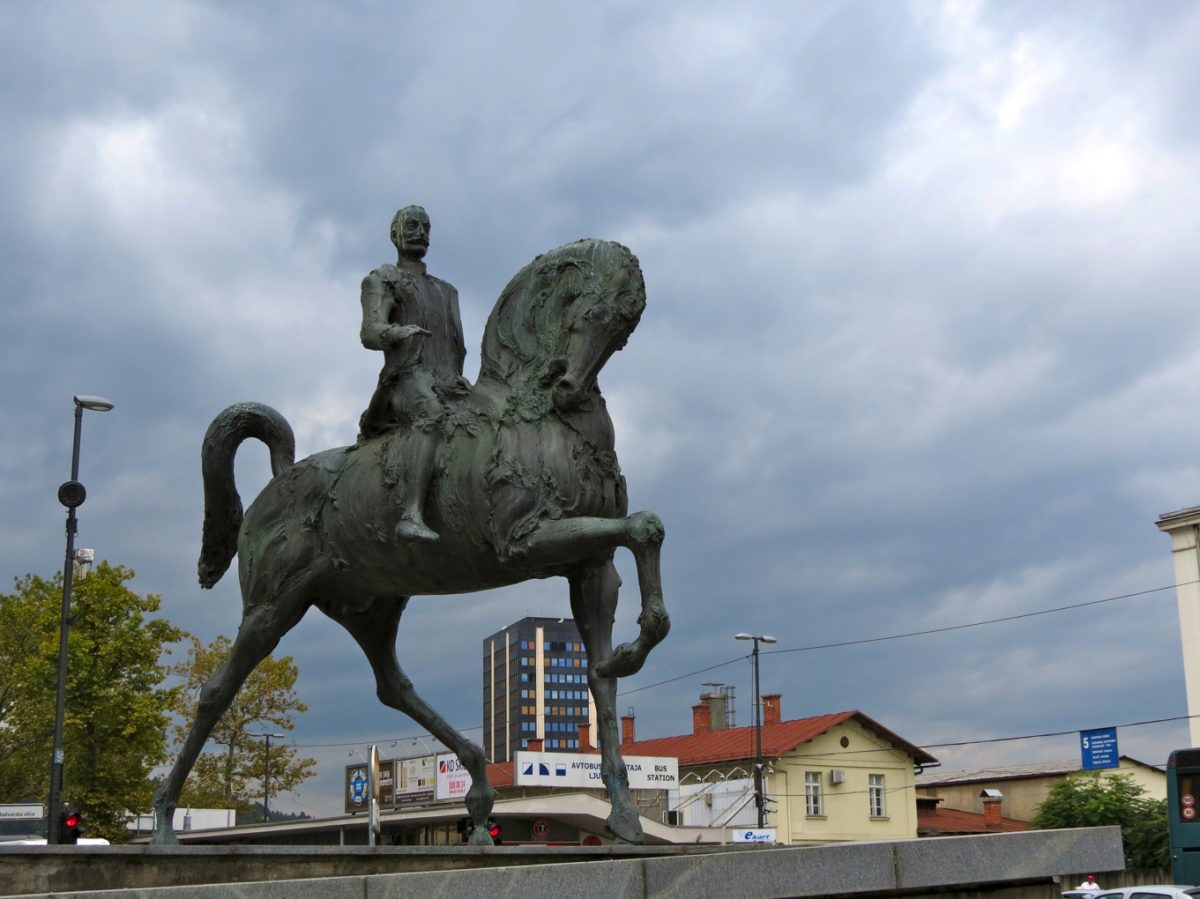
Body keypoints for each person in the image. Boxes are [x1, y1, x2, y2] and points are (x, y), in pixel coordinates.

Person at [358, 205, 467, 541]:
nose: (421, 231)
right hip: (406, 379)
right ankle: (411, 513)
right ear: (395, 234)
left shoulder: (447, 291)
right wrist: (395, 332)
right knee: (430, 415)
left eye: (426, 226)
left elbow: (457, 345)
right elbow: (369, 331)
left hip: (449, 382)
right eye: (413, 225)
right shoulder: (383, 279)